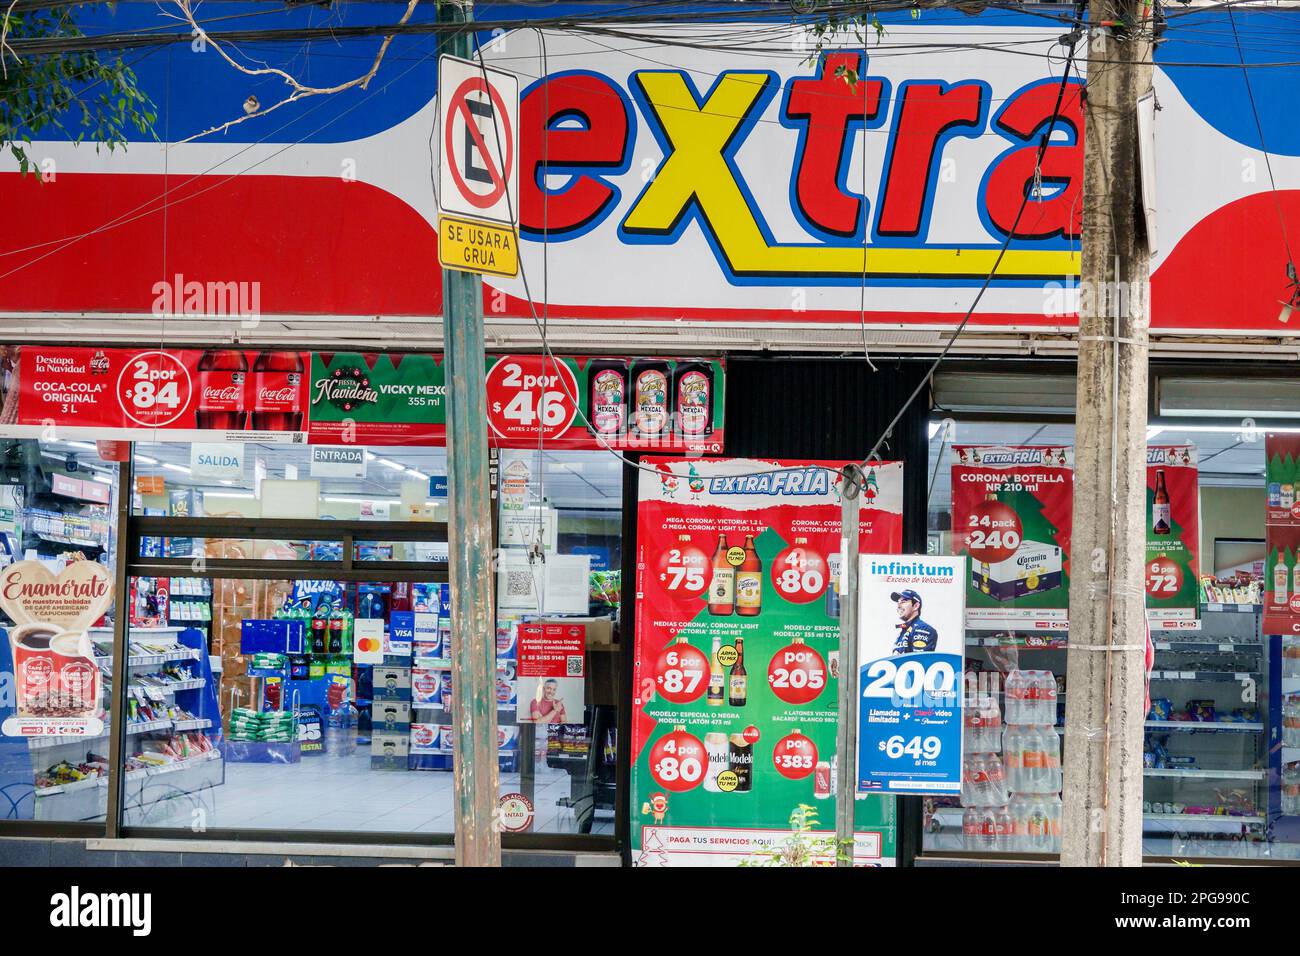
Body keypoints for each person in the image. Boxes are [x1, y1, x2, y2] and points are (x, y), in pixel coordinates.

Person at [890, 589, 938, 654]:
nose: (898, 606)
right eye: (898, 602)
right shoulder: (905, 630)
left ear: (916, 606)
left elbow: (918, 661)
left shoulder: (922, 628)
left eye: (903, 601)